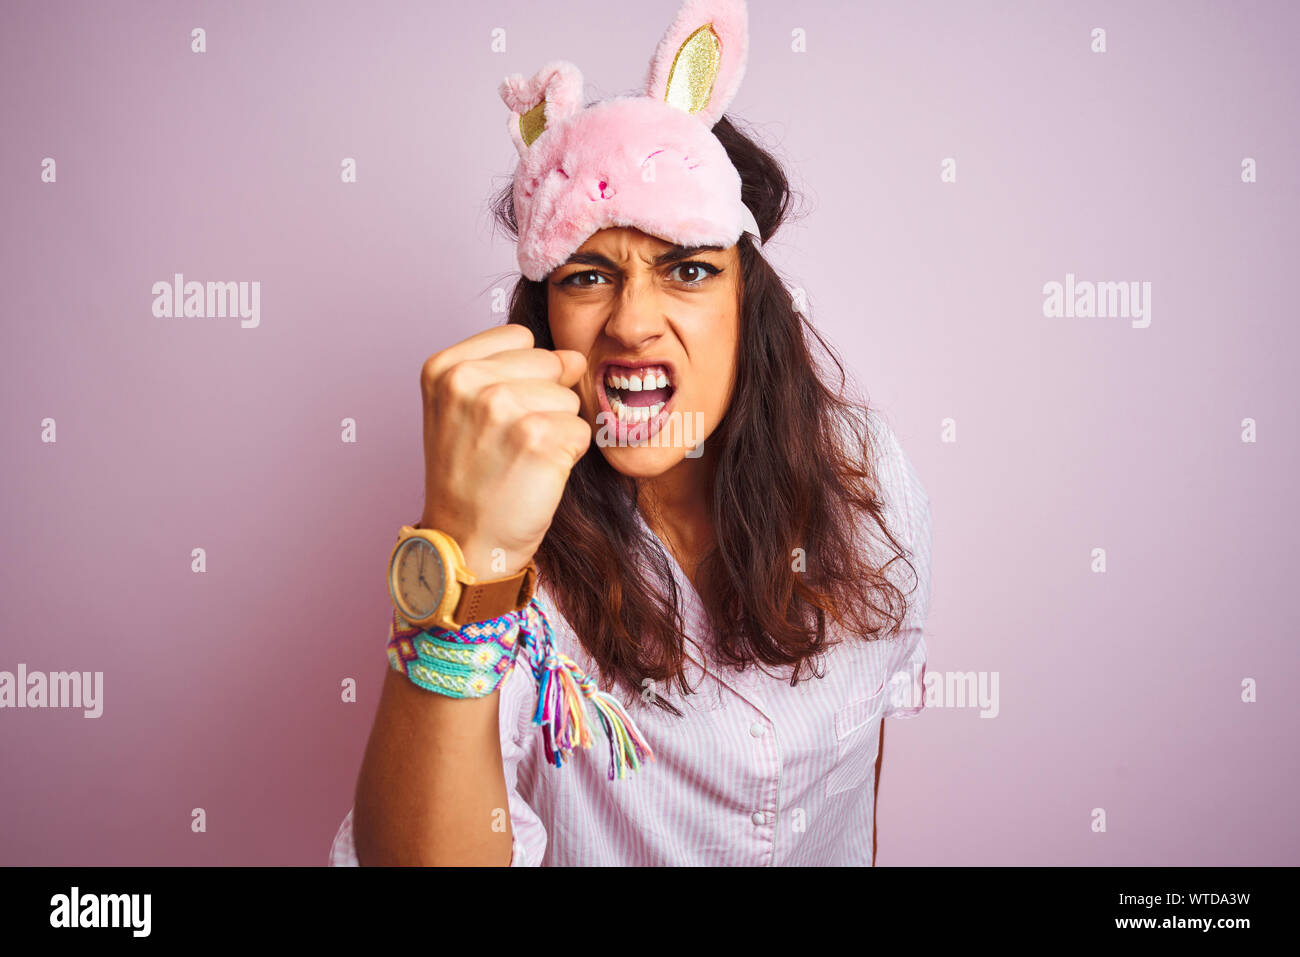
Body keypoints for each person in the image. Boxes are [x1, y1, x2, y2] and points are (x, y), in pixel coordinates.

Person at [331, 0, 932, 866]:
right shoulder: (510, 567)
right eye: (588, 276)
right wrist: (463, 549)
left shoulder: (867, 478)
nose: (633, 324)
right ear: (547, 319)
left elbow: (858, 775)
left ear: (745, 298)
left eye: (687, 269)